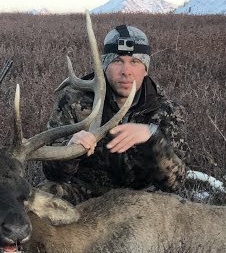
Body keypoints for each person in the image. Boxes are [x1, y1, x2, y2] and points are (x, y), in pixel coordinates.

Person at [39, 24, 188, 204]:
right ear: (104, 65)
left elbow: (175, 183)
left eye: (135, 62)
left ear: (146, 68)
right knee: (45, 194)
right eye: (117, 61)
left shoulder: (168, 111)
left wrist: (154, 138)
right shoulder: (73, 101)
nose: (126, 71)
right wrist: (70, 149)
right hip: (87, 197)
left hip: (143, 203)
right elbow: (52, 173)